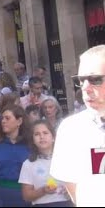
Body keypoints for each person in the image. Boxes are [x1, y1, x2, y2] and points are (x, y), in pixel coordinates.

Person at [50, 45, 105, 205]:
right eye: (80, 80)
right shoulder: (71, 129)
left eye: (95, 80)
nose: (86, 88)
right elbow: (71, 184)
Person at [0, 105, 33, 207]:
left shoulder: (30, 145)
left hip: (23, 194)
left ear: (19, 121)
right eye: (2, 118)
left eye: (7, 118)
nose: (3, 121)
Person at [20, 119, 73, 207]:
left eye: (45, 133)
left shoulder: (67, 160)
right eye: (37, 134)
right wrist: (43, 191)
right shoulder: (28, 164)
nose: (41, 137)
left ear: (53, 137)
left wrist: (71, 192)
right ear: (33, 140)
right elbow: (26, 196)